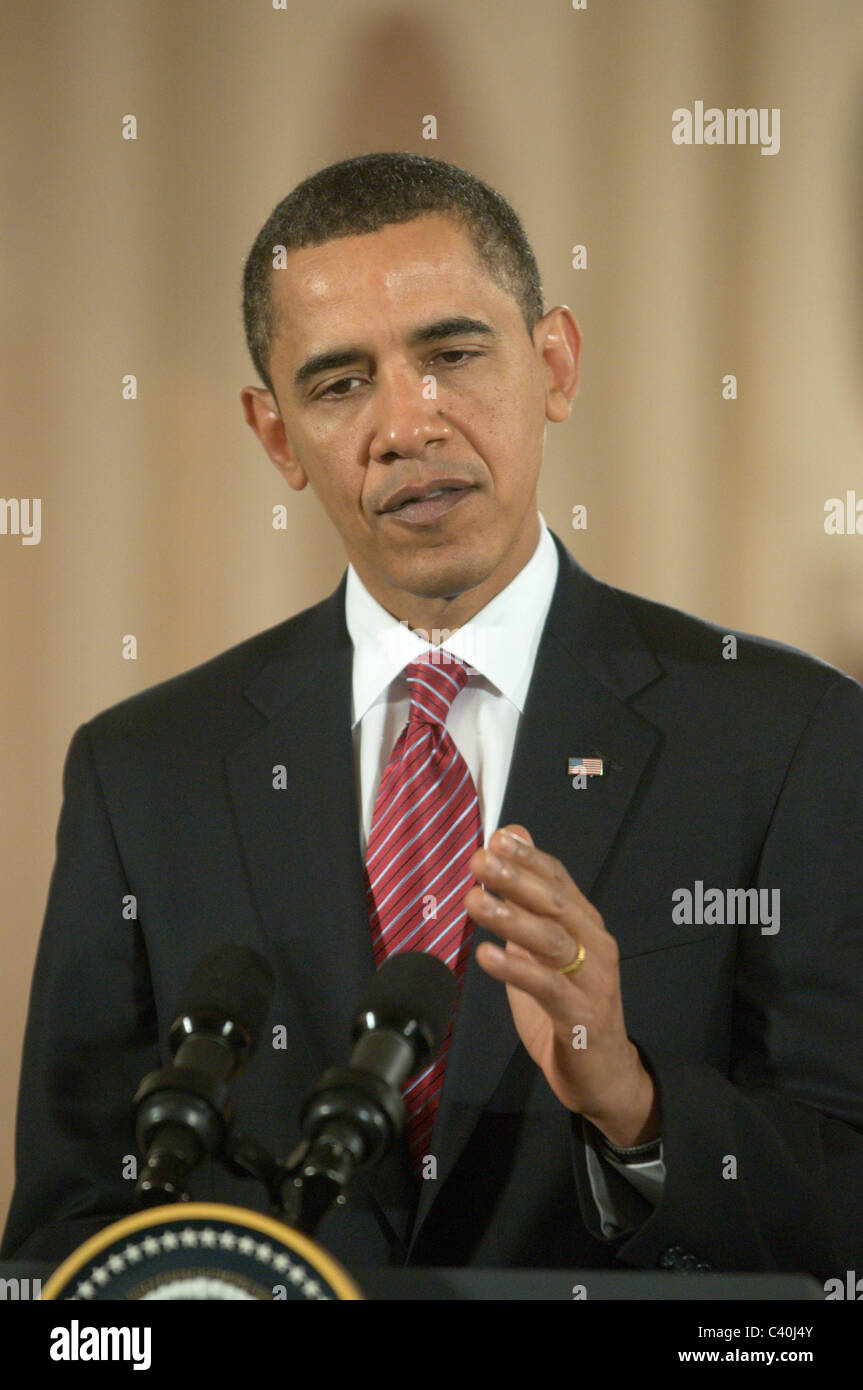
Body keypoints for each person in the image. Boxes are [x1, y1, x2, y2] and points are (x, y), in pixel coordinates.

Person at [3, 153, 862, 1278]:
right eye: (339, 383)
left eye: (452, 355)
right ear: (276, 437)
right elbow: (63, 1246)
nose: (408, 425)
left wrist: (632, 1103)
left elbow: (842, 1203)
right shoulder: (145, 771)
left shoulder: (786, 735)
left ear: (554, 362)